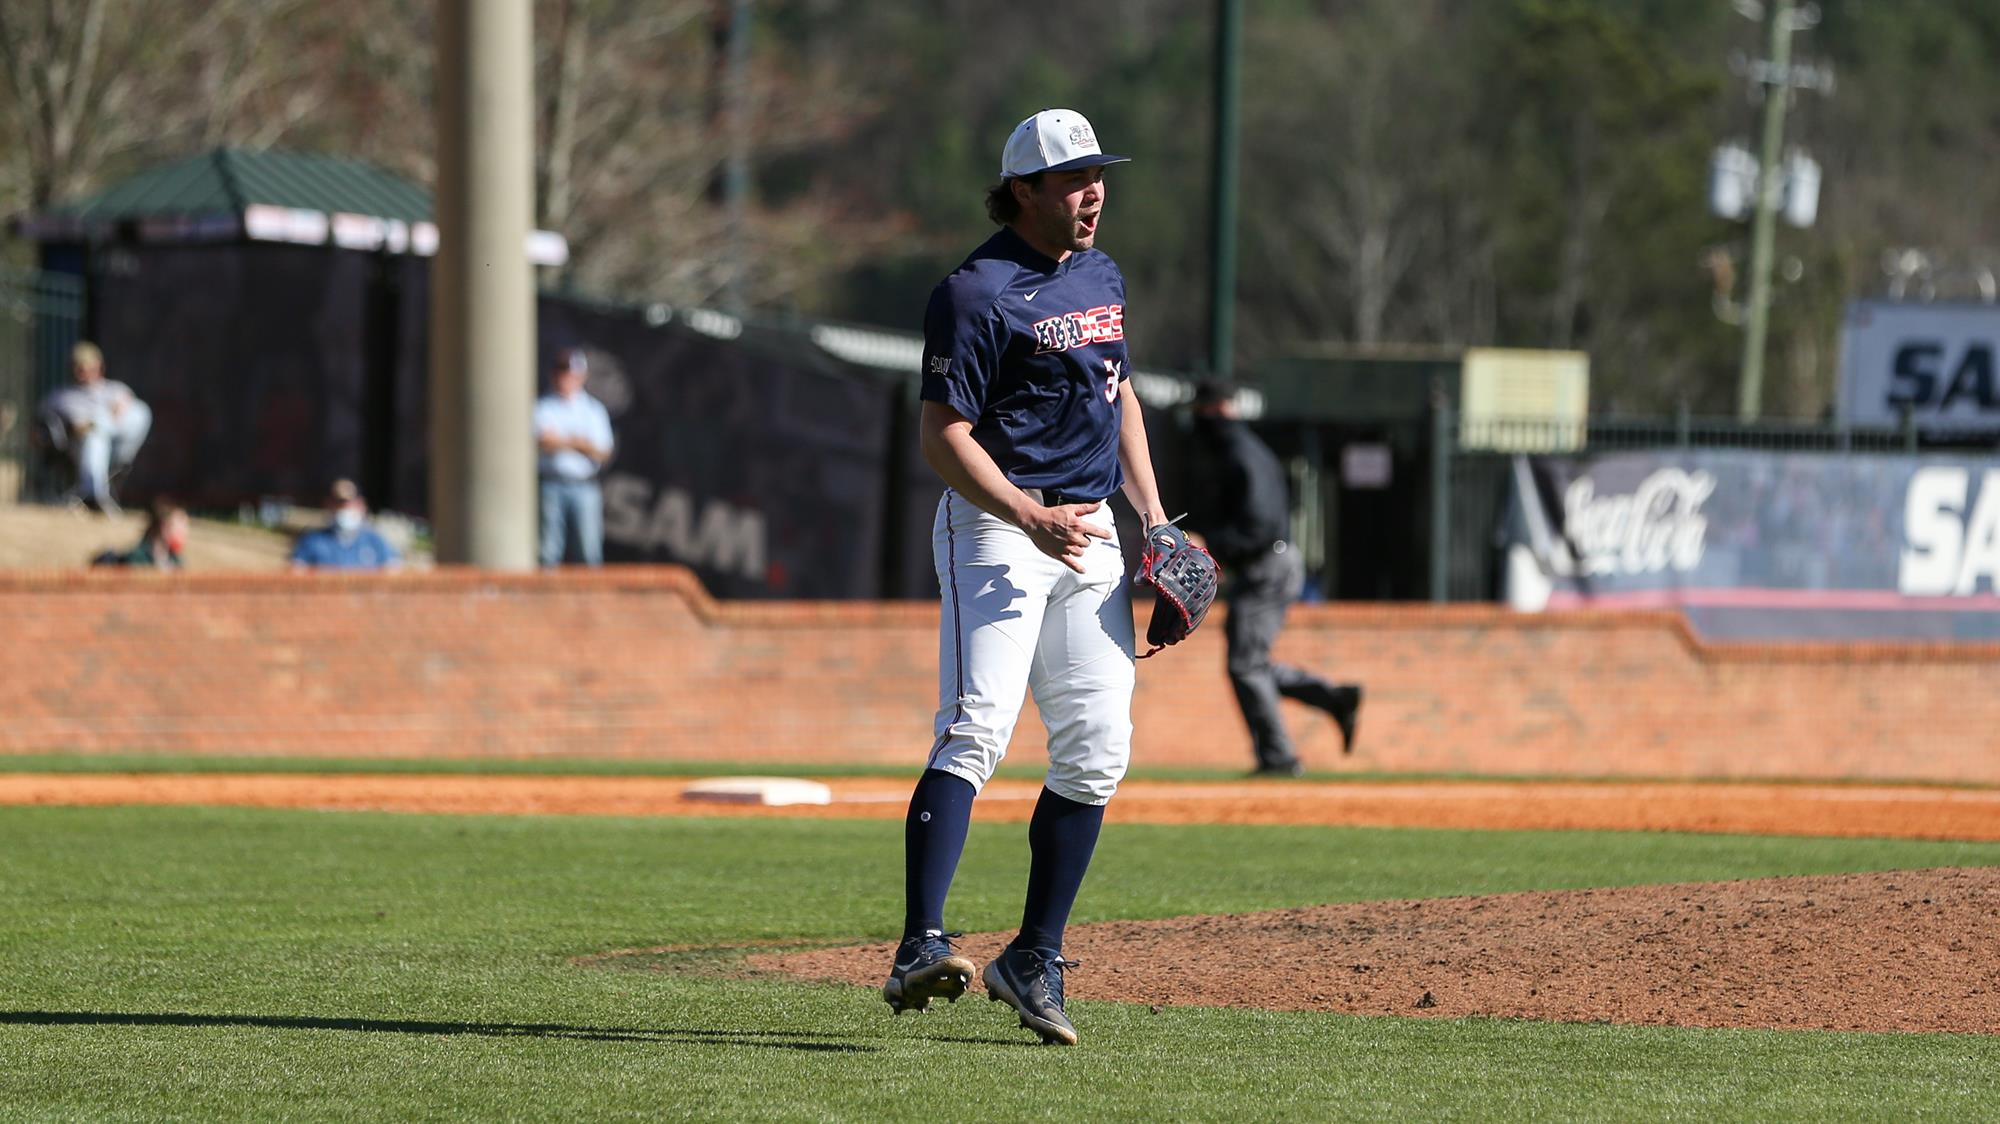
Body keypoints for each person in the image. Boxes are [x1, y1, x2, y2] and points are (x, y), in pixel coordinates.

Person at [885, 108, 1165, 1048]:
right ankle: (920, 944)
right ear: (1025, 191)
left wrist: (1155, 522)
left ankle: (1032, 958)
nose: (1092, 192)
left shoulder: (1102, 274)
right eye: (1073, 178)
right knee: (978, 727)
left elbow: (1117, 393)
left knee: (1097, 748)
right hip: (999, 526)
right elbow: (943, 435)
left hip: (1090, 529)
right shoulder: (972, 292)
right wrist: (1024, 513)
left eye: (1098, 175)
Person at [1184, 380, 1362, 776]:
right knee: (1252, 662)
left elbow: (1259, 525)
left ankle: (1280, 758)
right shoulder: (1244, 446)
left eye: (1200, 410)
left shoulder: (1237, 451)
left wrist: (1210, 541)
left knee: (1245, 665)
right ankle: (1333, 698)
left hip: (1269, 563)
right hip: (1273, 562)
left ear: (1213, 409)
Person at [38, 341, 152, 514]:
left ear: (99, 366)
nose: (82, 372)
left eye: (87, 366)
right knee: (94, 436)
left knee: (140, 409)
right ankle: (92, 495)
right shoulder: (60, 397)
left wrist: (118, 410)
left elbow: (132, 413)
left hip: (118, 445)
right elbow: (40, 426)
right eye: (78, 367)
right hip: (81, 447)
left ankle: (99, 425)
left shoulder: (115, 388)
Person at [534, 348, 614, 567]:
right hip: (552, 484)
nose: (565, 378)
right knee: (548, 552)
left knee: (588, 552)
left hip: (584, 486)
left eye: (570, 372)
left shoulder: (593, 409)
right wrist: (579, 443)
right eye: (561, 371)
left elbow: (603, 451)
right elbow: (544, 442)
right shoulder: (543, 406)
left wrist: (563, 441)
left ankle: (591, 601)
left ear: (581, 377)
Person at [290, 479, 401, 571]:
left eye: (348, 504)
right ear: (329, 505)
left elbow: (393, 572)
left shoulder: (375, 541)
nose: (343, 509)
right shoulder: (313, 541)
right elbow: (295, 572)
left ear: (361, 505)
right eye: (338, 504)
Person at [91, 499, 188, 570]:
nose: (184, 533)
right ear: (164, 527)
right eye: (180, 528)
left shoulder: (176, 561)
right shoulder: (135, 559)